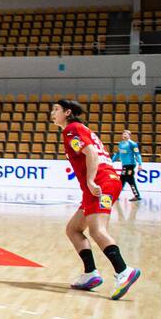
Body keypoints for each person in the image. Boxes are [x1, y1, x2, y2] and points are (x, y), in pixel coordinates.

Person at [50, 99, 141, 299]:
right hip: (106, 182)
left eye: (56, 109)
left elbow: (90, 152)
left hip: (101, 183)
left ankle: (124, 271)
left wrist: (90, 180)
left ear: (67, 112)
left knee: (97, 230)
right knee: (73, 229)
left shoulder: (71, 129)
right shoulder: (77, 129)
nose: (52, 112)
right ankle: (90, 273)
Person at [115, 129, 143, 200]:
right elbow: (118, 153)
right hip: (124, 165)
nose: (124, 135)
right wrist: (111, 160)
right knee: (123, 180)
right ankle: (117, 195)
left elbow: (137, 154)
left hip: (130, 165)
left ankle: (137, 195)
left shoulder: (132, 144)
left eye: (126, 134)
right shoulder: (120, 144)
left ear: (129, 136)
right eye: (123, 134)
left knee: (128, 179)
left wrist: (140, 164)